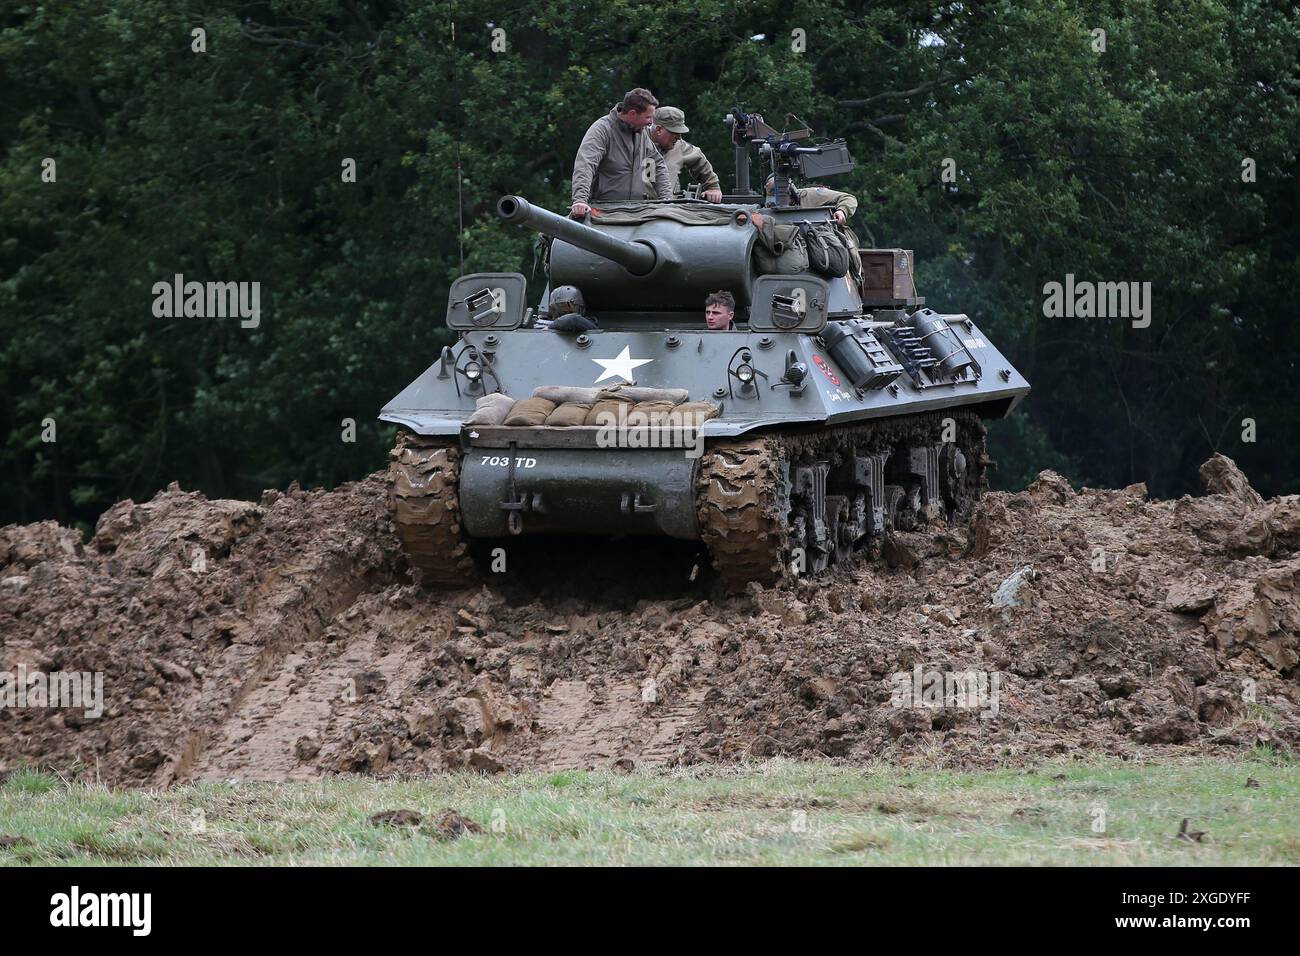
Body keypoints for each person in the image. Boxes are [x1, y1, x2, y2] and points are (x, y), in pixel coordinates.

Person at [571, 88, 671, 218]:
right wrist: (580, 200)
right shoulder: (602, 129)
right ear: (632, 113)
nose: (651, 122)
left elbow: (658, 165)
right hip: (603, 210)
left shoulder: (641, 134)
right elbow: (586, 164)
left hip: (636, 210)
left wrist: (667, 201)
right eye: (648, 117)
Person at [643, 107, 723, 203]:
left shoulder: (678, 146)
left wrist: (712, 186)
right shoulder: (636, 141)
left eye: (680, 133)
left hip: (668, 210)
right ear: (659, 129)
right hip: (634, 211)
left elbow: (698, 159)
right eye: (674, 132)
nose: (679, 137)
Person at [765, 173, 857, 224]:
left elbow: (848, 198)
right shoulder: (766, 206)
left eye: (783, 197)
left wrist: (842, 211)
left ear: (792, 192)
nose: (779, 203)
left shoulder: (810, 195)